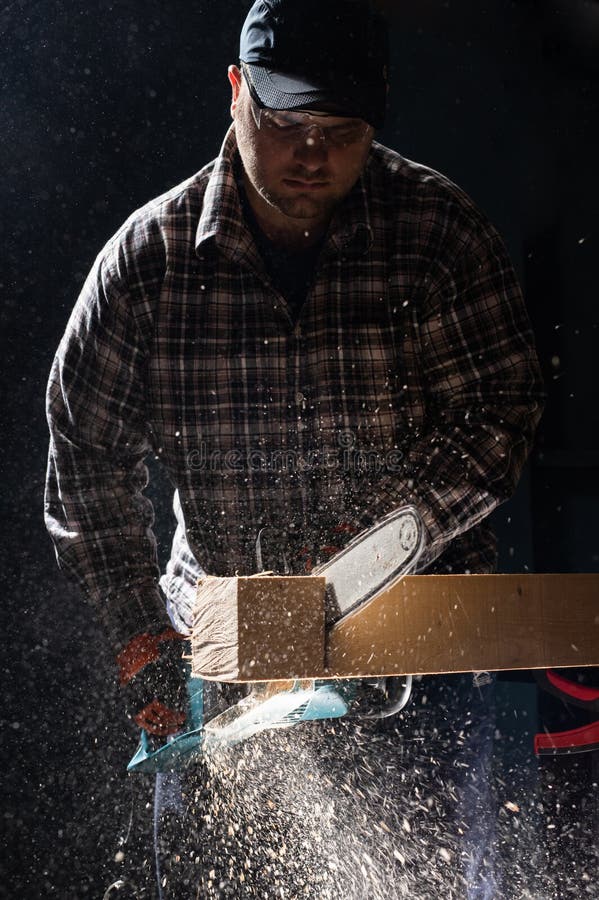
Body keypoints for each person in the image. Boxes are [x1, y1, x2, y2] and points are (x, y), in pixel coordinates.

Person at [45, 0, 545, 896]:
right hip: (222, 644)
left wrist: (392, 532)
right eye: (284, 126)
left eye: (340, 132)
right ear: (236, 93)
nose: (311, 155)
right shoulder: (148, 264)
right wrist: (136, 630)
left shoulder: (436, 236)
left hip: (405, 653)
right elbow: (82, 455)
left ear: (376, 116)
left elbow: (500, 411)